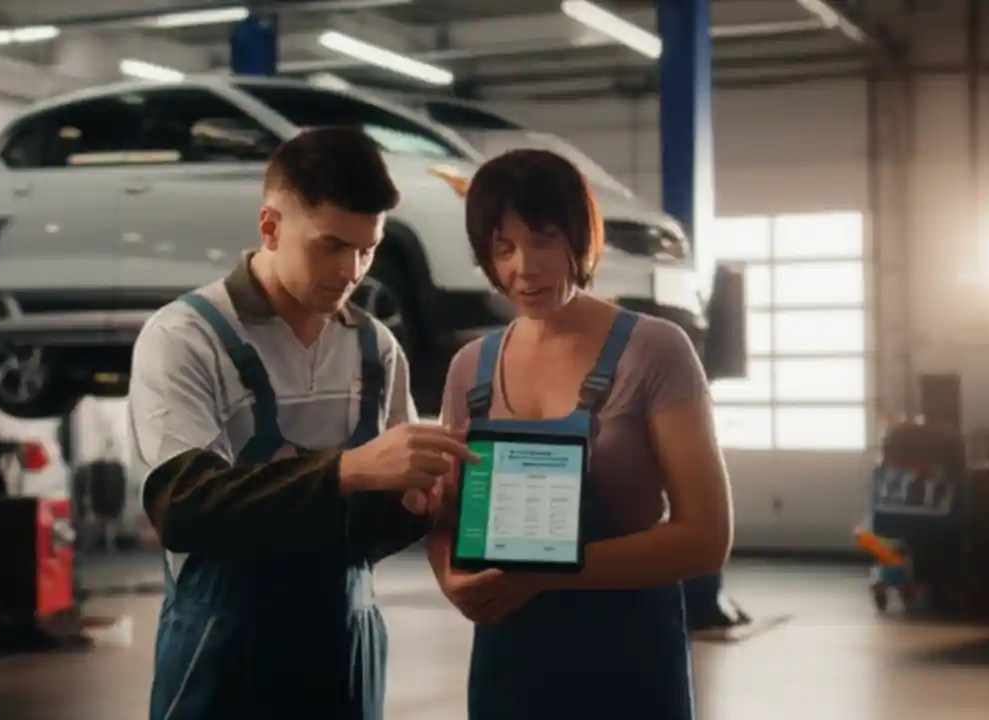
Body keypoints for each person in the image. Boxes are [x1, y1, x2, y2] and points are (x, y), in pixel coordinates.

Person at [128, 126, 468, 720]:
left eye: (367, 250)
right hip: (221, 654)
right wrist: (351, 469)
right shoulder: (185, 337)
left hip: (345, 646)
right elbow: (185, 506)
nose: (351, 270)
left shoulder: (376, 348)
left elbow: (368, 532)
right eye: (331, 246)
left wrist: (414, 505)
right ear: (270, 226)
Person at [426, 149, 733, 719]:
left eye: (543, 239)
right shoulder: (471, 367)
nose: (525, 267)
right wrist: (449, 578)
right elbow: (447, 517)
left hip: (627, 660)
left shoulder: (654, 350)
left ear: (581, 236)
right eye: (503, 248)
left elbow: (706, 536)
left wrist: (543, 574)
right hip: (508, 661)